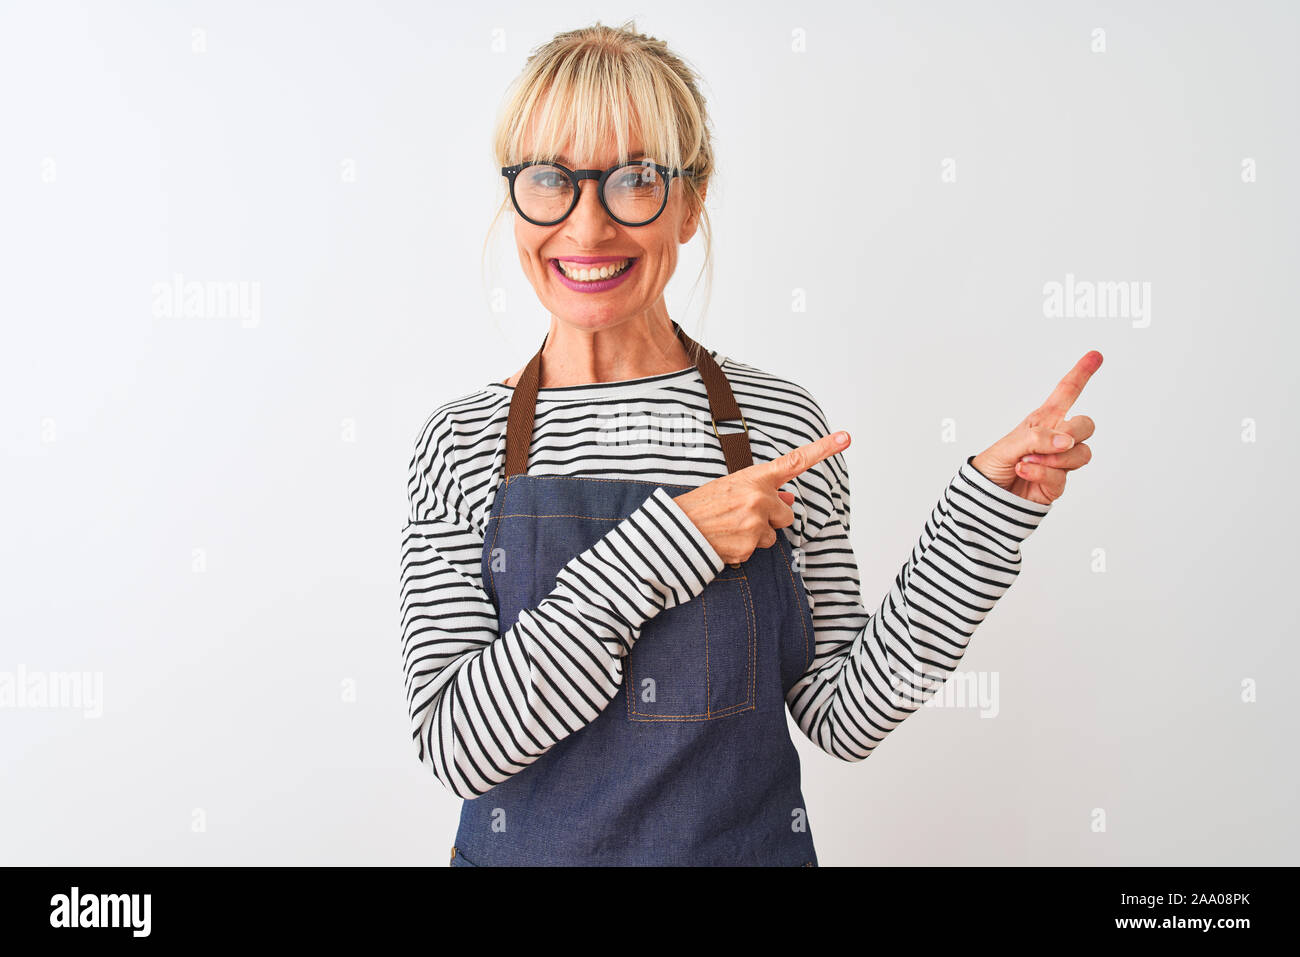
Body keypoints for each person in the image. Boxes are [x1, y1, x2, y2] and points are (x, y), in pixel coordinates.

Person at [399, 21, 1101, 866]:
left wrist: (986, 516)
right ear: (516, 197)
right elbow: (459, 746)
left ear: (691, 203)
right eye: (552, 179)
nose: (586, 228)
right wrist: (671, 546)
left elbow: (848, 715)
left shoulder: (776, 424)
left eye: (635, 180)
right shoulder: (463, 444)